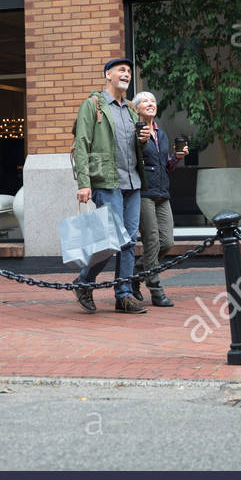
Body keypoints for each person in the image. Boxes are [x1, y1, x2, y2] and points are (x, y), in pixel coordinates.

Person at [70, 58, 152, 314]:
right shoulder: (92, 105)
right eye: (121, 70)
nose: (126, 74)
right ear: (108, 75)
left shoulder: (129, 110)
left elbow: (132, 148)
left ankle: (124, 294)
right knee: (112, 240)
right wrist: (84, 183)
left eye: (129, 71)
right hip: (106, 182)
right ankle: (84, 281)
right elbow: (82, 144)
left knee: (128, 241)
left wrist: (143, 140)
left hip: (133, 182)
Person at [131, 91, 187, 307]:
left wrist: (176, 157)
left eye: (153, 101)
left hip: (163, 193)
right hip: (144, 193)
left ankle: (136, 274)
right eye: (145, 101)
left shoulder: (161, 135)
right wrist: (140, 141)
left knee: (167, 242)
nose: (150, 103)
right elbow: (132, 158)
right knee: (152, 241)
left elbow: (166, 165)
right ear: (136, 109)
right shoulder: (134, 132)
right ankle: (156, 290)